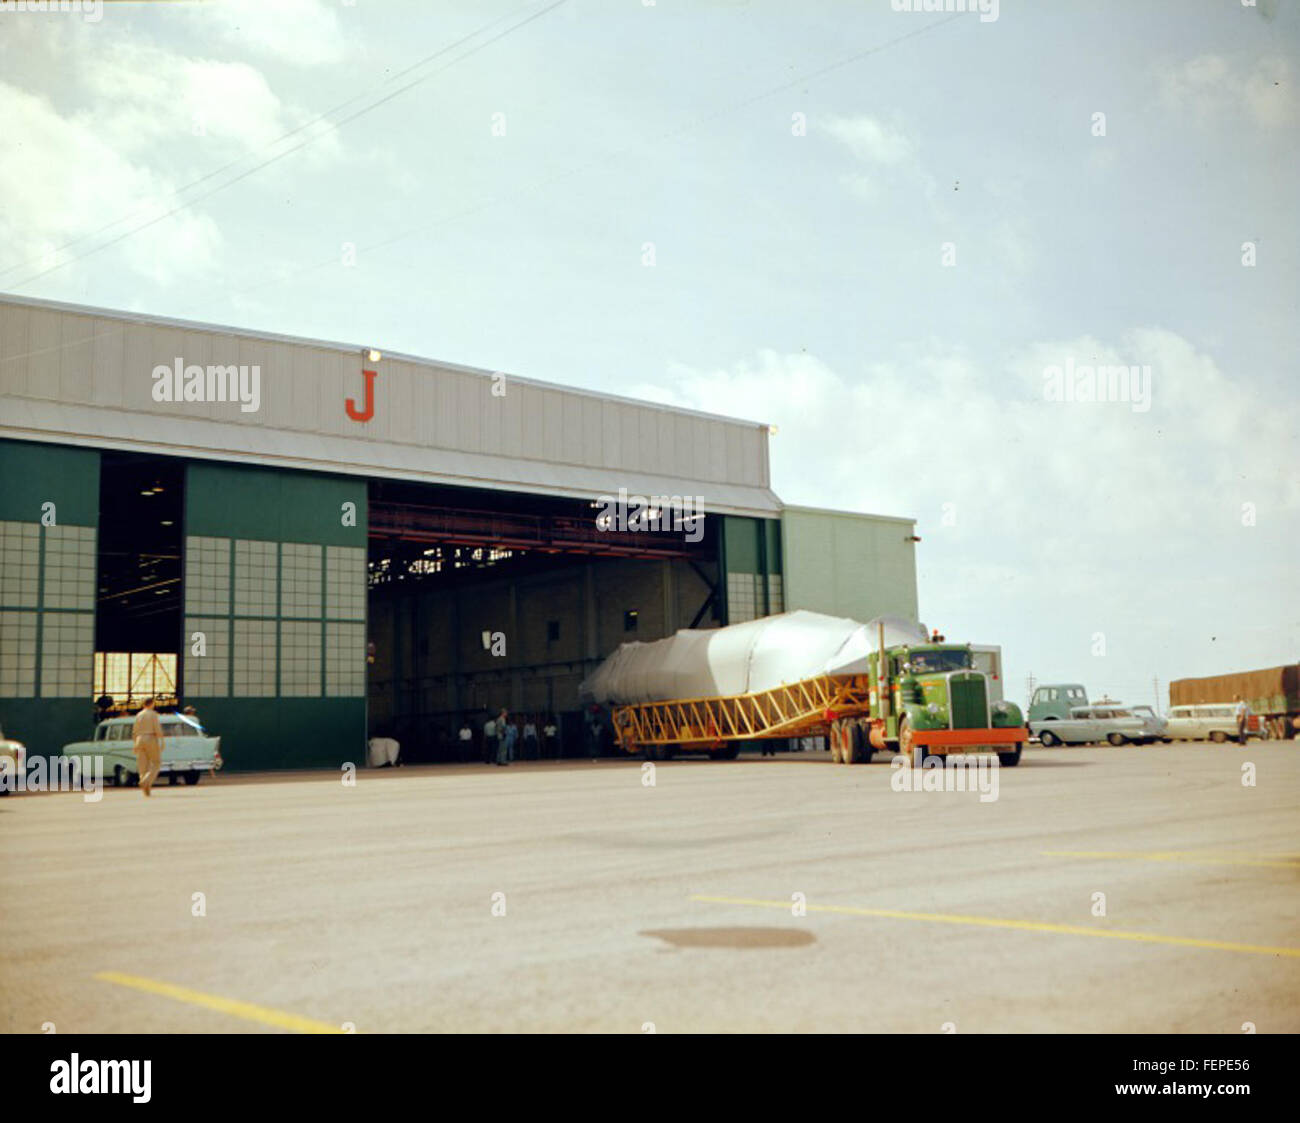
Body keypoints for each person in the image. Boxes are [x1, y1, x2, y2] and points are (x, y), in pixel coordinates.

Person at [132, 697, 164, 797]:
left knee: (143, 765)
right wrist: (162, 741)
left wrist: (135, 744)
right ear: (152, 704)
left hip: (139, 739)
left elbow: (134, 731)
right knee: (156, 762)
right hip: (150, 737)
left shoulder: (139, 715)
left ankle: (146, 787)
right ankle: (146, 780)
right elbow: (157, 729)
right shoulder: (153, 714)